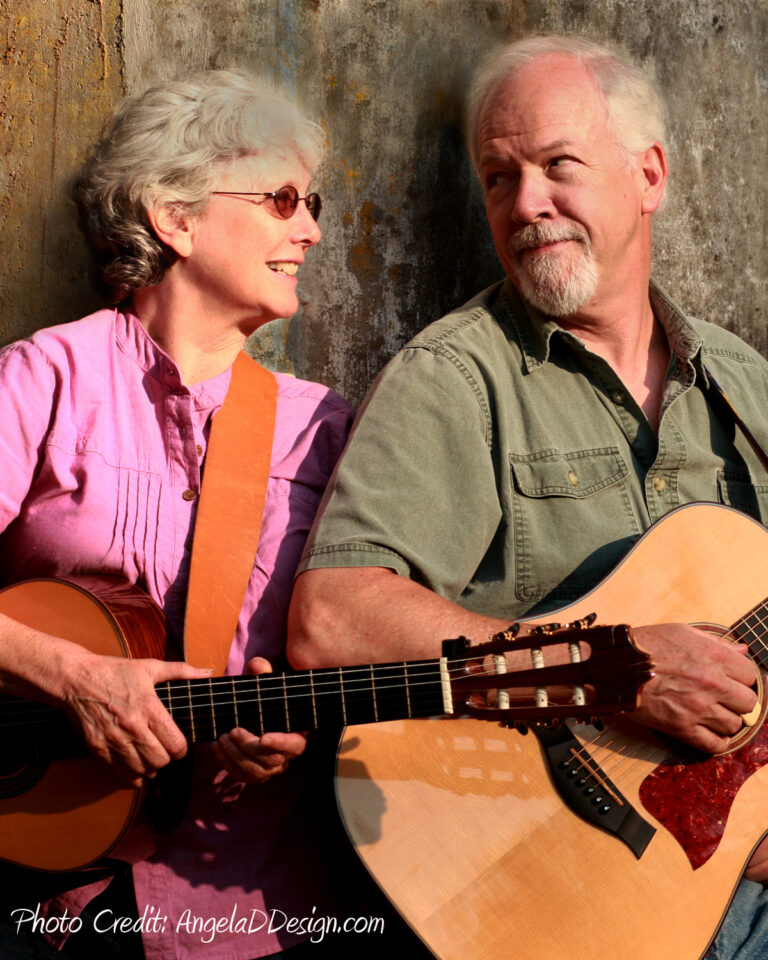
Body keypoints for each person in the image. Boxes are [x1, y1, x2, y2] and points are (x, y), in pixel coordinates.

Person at [287, 35, 768, 960]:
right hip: (568, 884)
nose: (527, 204)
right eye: (499, 178)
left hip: (728, 861)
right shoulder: (455, 377)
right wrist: (608, 666)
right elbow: (332, 622)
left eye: (557, 166)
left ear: (650, 175)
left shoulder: (742, 386)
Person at [0, 70, 360, 959]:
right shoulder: (47, 379)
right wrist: (73, 676)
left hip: (253, 908)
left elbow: (350, 643)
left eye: (308, 202)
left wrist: (291, 733)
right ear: (176, 217)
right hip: (44, 900)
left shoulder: (324, 429)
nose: (309, 229)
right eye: (282, 199)